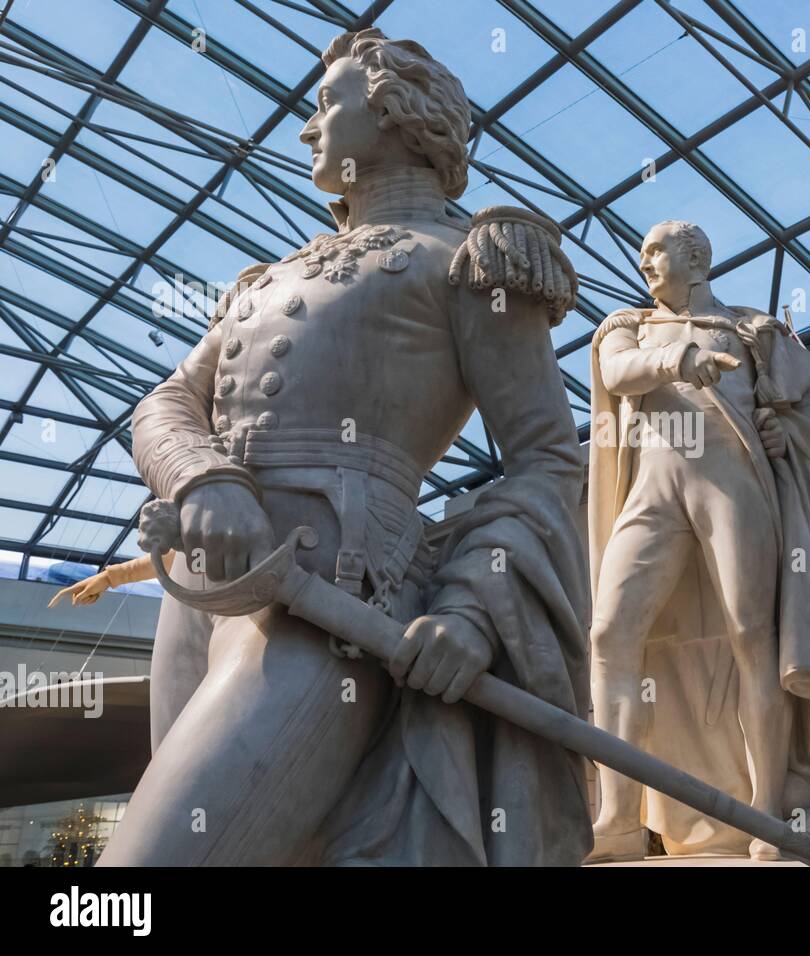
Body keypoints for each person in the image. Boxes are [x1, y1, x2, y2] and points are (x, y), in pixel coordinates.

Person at [100, 28, 591, 866]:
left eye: (328, 103)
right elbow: (168, 401)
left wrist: (473, 611)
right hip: (197, 599)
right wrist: (203, 478)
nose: (306, 126)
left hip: (333, 602)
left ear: (401, 114)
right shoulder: (267, 280)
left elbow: (549, 458)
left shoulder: (472, 260)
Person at [587, 220, 810, 861]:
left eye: (656, 250)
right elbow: (618, 372)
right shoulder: (627, 327)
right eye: (645, 252)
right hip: (653, 489)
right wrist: (681, 361)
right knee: (608, 634)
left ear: (696, 257)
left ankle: (766, 813)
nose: (643, 260)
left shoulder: (753, 331)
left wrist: (785, 434)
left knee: (751, 637)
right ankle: (620, 817)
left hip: (734, 484)